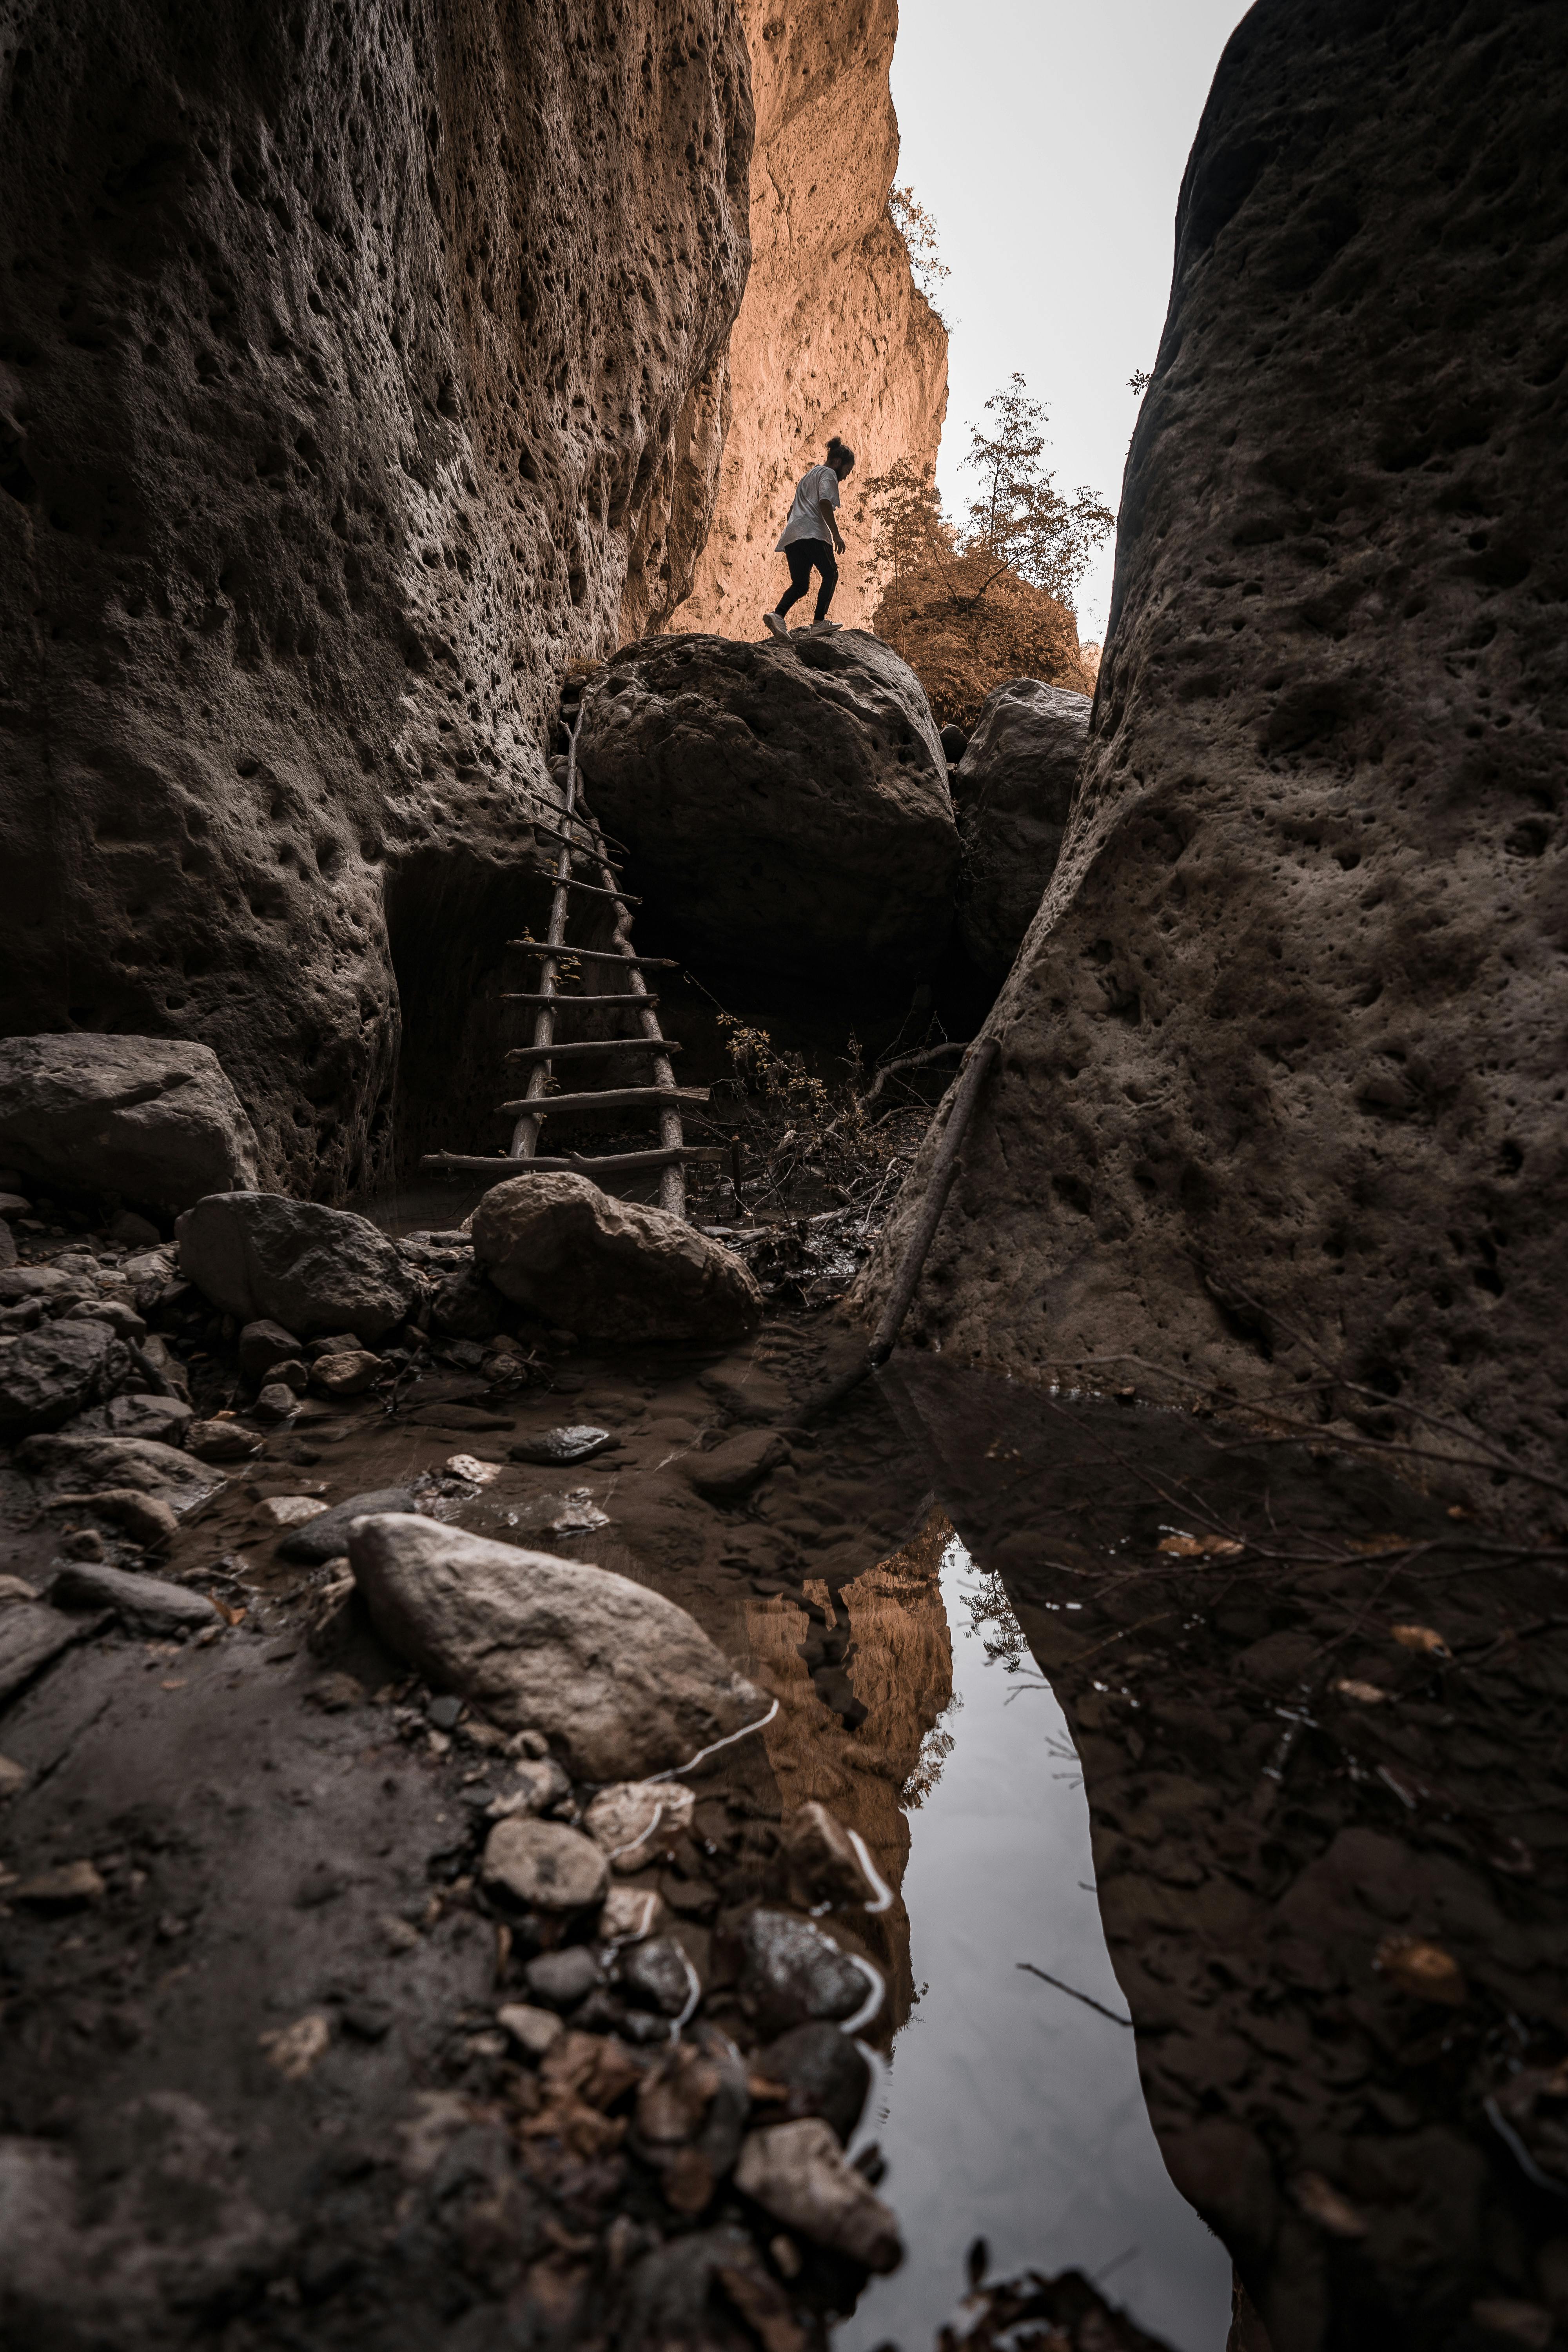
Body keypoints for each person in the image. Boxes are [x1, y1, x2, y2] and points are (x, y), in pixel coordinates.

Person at [764, 436, 855, 637]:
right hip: (813, 533)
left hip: (793, 536)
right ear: (838, 462)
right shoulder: (829, 474)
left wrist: (797, 529)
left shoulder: (808, 476)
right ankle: (820, 622)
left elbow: (790, 513)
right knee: (831, 574)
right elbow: (824, 503)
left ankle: (778, 615)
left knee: (800, 585)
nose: (846, 477)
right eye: (847, 471)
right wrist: (837, 534)